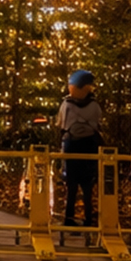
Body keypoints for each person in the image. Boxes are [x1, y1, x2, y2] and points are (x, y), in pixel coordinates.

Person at [57, 70, 102, 227]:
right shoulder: (95, 105)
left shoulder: (66, 105)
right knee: (88, 187)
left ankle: (68, 219)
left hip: (72, 146)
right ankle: (88, 219)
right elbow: (98, 124)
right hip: (89, 146)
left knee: (71, 186)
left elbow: (61, 125)